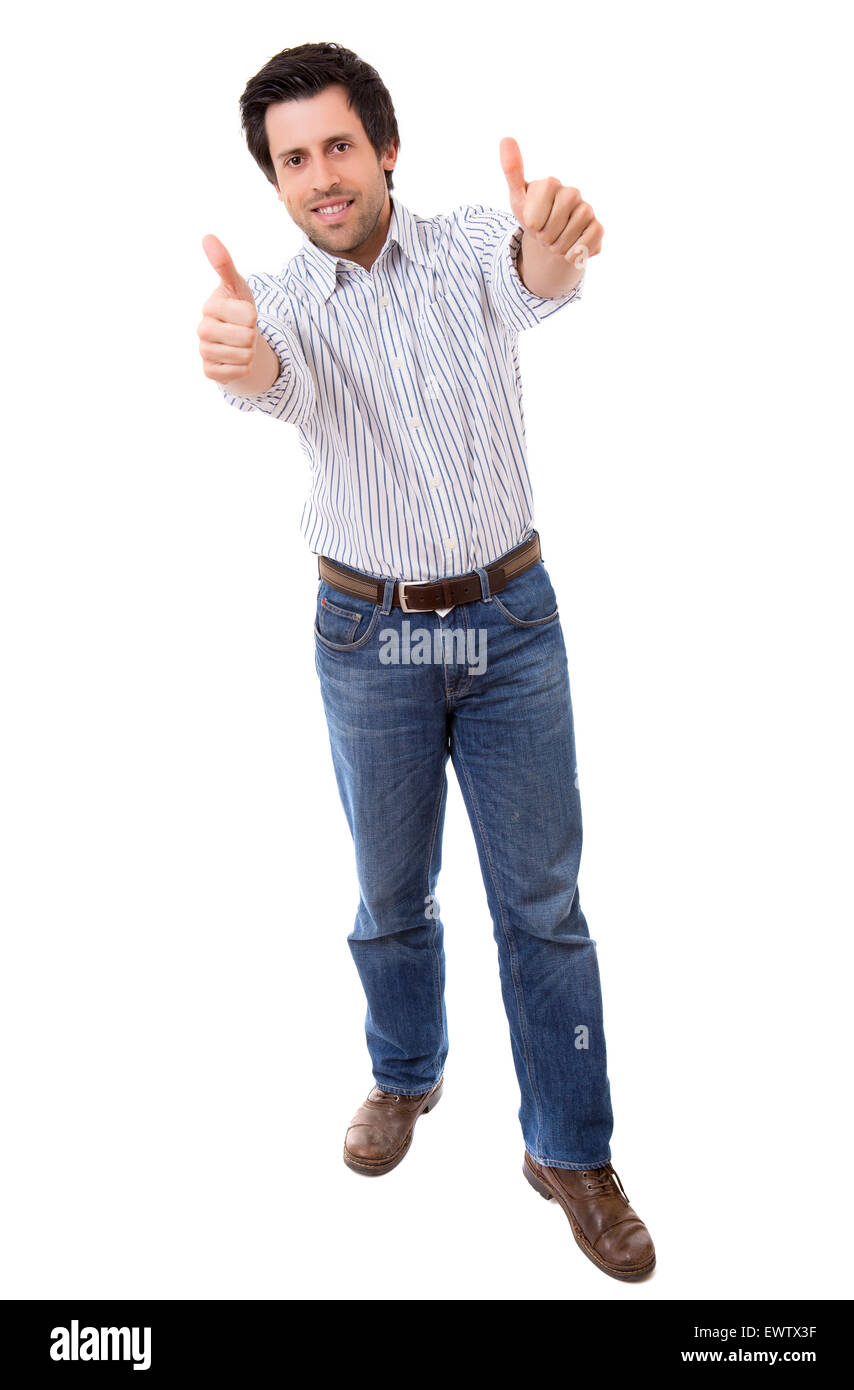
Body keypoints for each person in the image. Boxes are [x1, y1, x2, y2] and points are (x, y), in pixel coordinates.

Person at [198, 40, 655, 1282]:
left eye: (336, 147)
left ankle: (568, 1148)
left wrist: (552, 246)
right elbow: (269, 377)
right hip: (370, 637)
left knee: (543, 908)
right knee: (390, 897)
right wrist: (242, 365)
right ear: (277, 183)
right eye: (292, 161)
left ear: (384, 147)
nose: (319, 177)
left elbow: (533, 274)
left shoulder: (461, 247)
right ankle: (404, 1075)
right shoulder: (280, 305)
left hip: (510, 629)